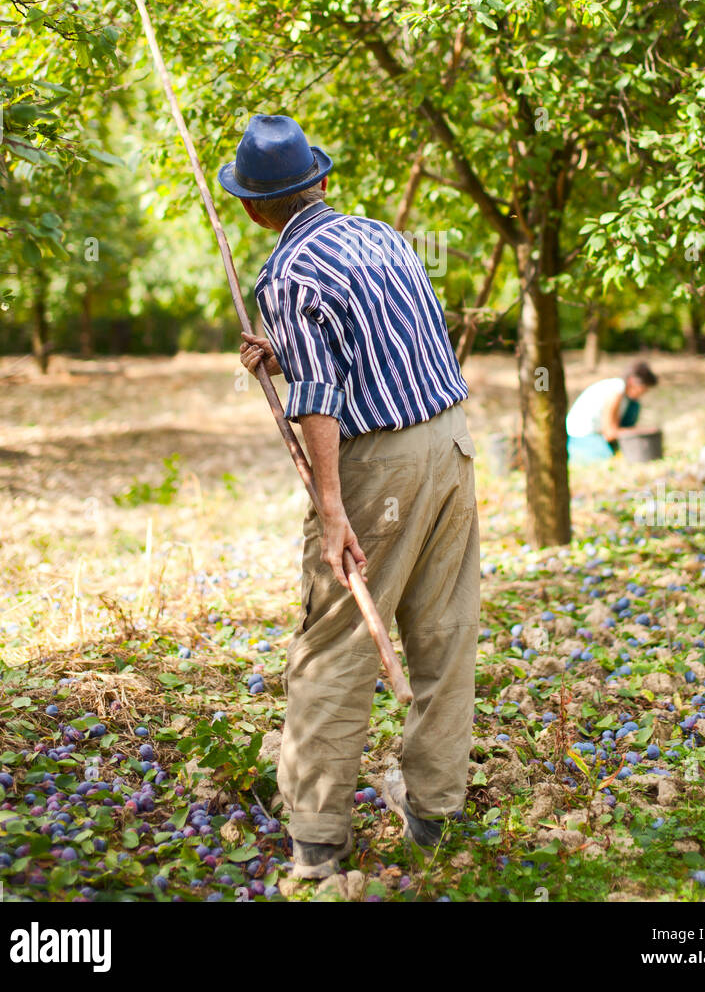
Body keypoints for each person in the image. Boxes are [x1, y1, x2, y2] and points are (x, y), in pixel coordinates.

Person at [218, 114, 479, 881]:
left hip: (381, 467)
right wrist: (285, 349)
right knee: (444, 630)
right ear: (322, 181)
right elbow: (391, 335)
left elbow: (323, 398)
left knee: (333, 647)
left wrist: (334, 511)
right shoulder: (382, 236)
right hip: (452, 444)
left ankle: (319, 843)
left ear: (252, 208)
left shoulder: (287, 275)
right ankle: (436, 817)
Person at [566, 361, 658, 465]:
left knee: (634, 405)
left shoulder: (629, 399)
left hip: (599, 434)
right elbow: (610, 433)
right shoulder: (616, 390)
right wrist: (641, 432)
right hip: (580, 436)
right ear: (632, 381)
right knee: (607, 459)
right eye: (644, 389)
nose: (644, 393)